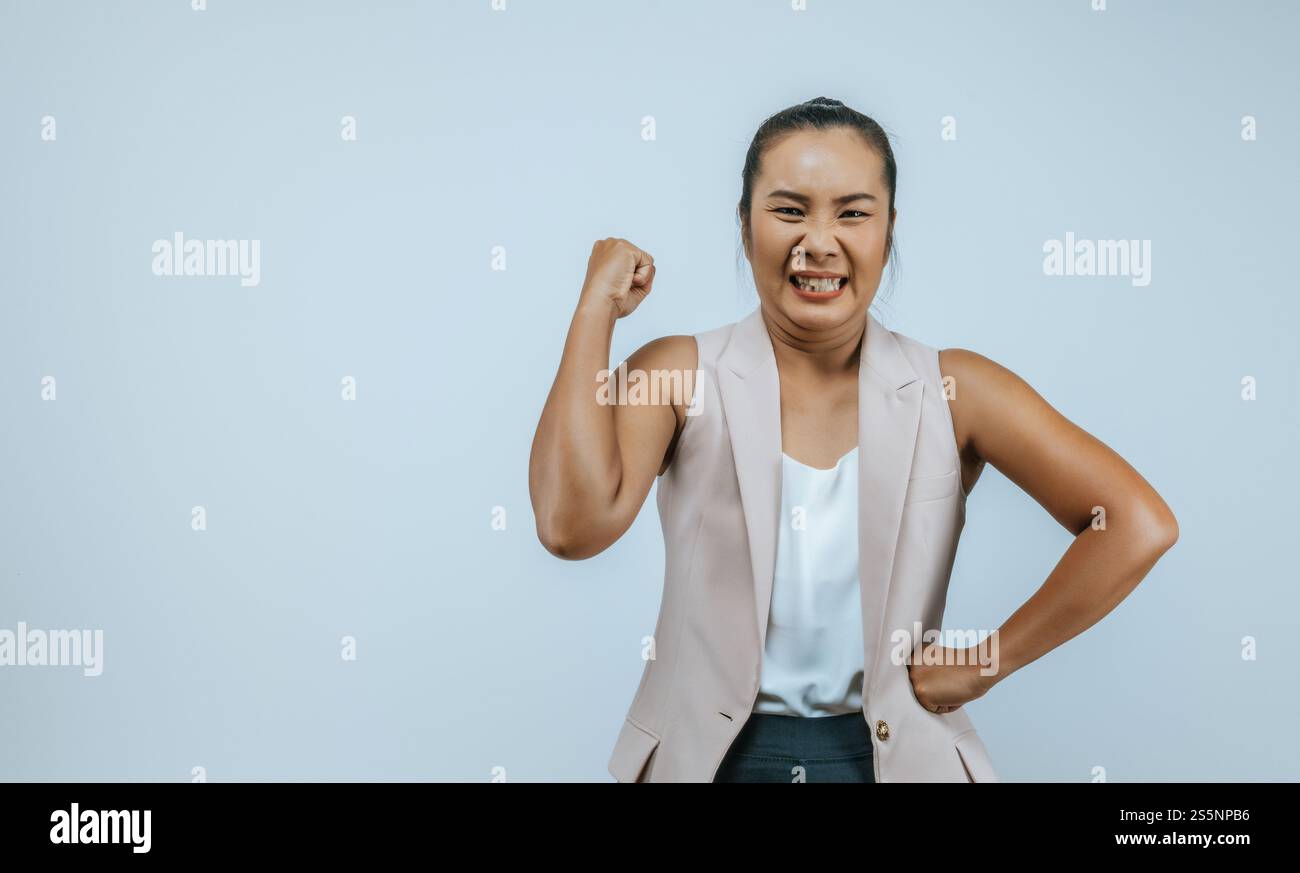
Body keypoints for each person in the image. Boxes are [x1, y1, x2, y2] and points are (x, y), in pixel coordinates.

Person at [528, 97, 1178, 783]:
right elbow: (571, 526)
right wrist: (593, 309)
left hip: (898, 760)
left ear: (889, 229)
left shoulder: (953, 388)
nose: (819, 241)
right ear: (745, 225)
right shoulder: (681, 373)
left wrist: (991, 659)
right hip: (710, 760)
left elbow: (1135, 523)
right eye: (788, 210)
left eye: (852, 212)